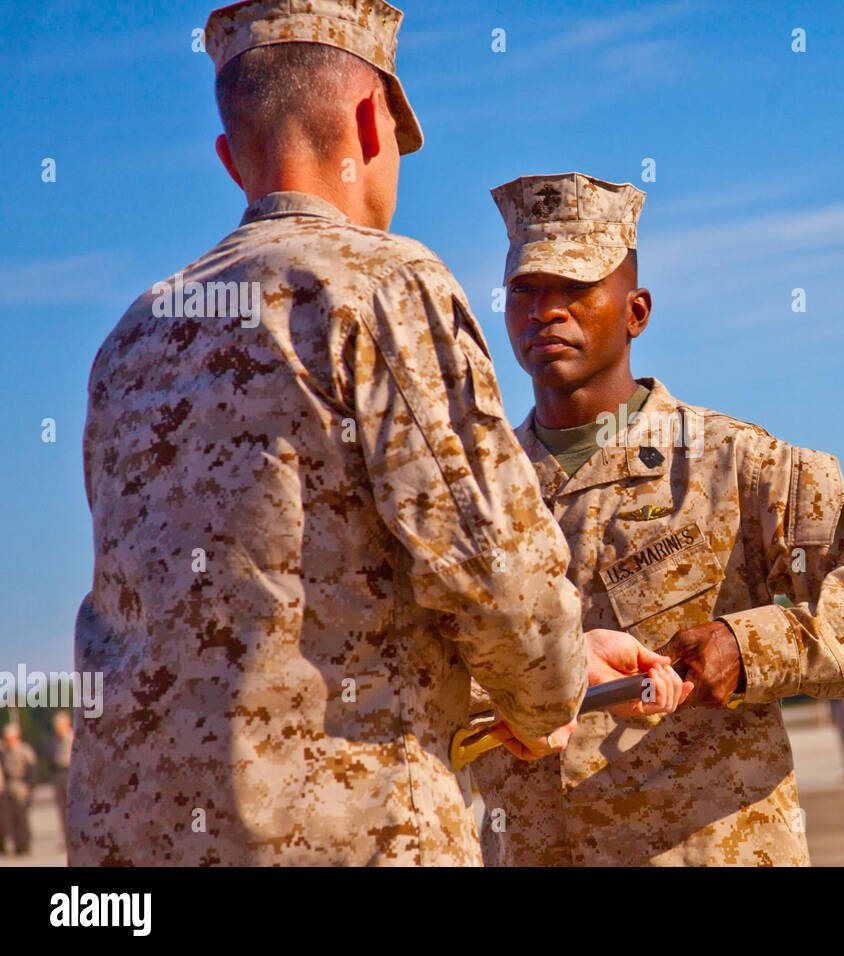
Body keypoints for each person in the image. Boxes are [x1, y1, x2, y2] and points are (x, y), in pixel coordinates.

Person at [69, 2, 666, 866]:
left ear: (231, 159)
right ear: (366, 123)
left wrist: (564, 658)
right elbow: (493, 570)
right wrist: (556, 687)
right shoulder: (382, 283)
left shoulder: (131, 336)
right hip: (346, 838)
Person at [473, 172, 844, 865]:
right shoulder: (479, 495)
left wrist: (751, 647)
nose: (545, 311)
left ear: (636, 311)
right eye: (525, 290)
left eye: (575, 288)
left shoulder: (730, 465)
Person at [0, 723, 37, 856]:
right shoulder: (4, 751)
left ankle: (24, 844)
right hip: (8, 785)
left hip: (21, 785)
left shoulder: (24, 750)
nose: (8, 741)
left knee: (22, 817)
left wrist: (30, 787)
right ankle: (16, 844)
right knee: (10, 818)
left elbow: (32, 770)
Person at [48, 711, 73, 843]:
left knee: (73, 807)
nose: (57, 729)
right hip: (58, 775)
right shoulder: (54, 740)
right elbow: (50, 757)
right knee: (61, 808)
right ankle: (66, 838)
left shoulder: (74, 737)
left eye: (59, 726)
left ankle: (75, 836)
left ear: (67, 724)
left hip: (70, 774)